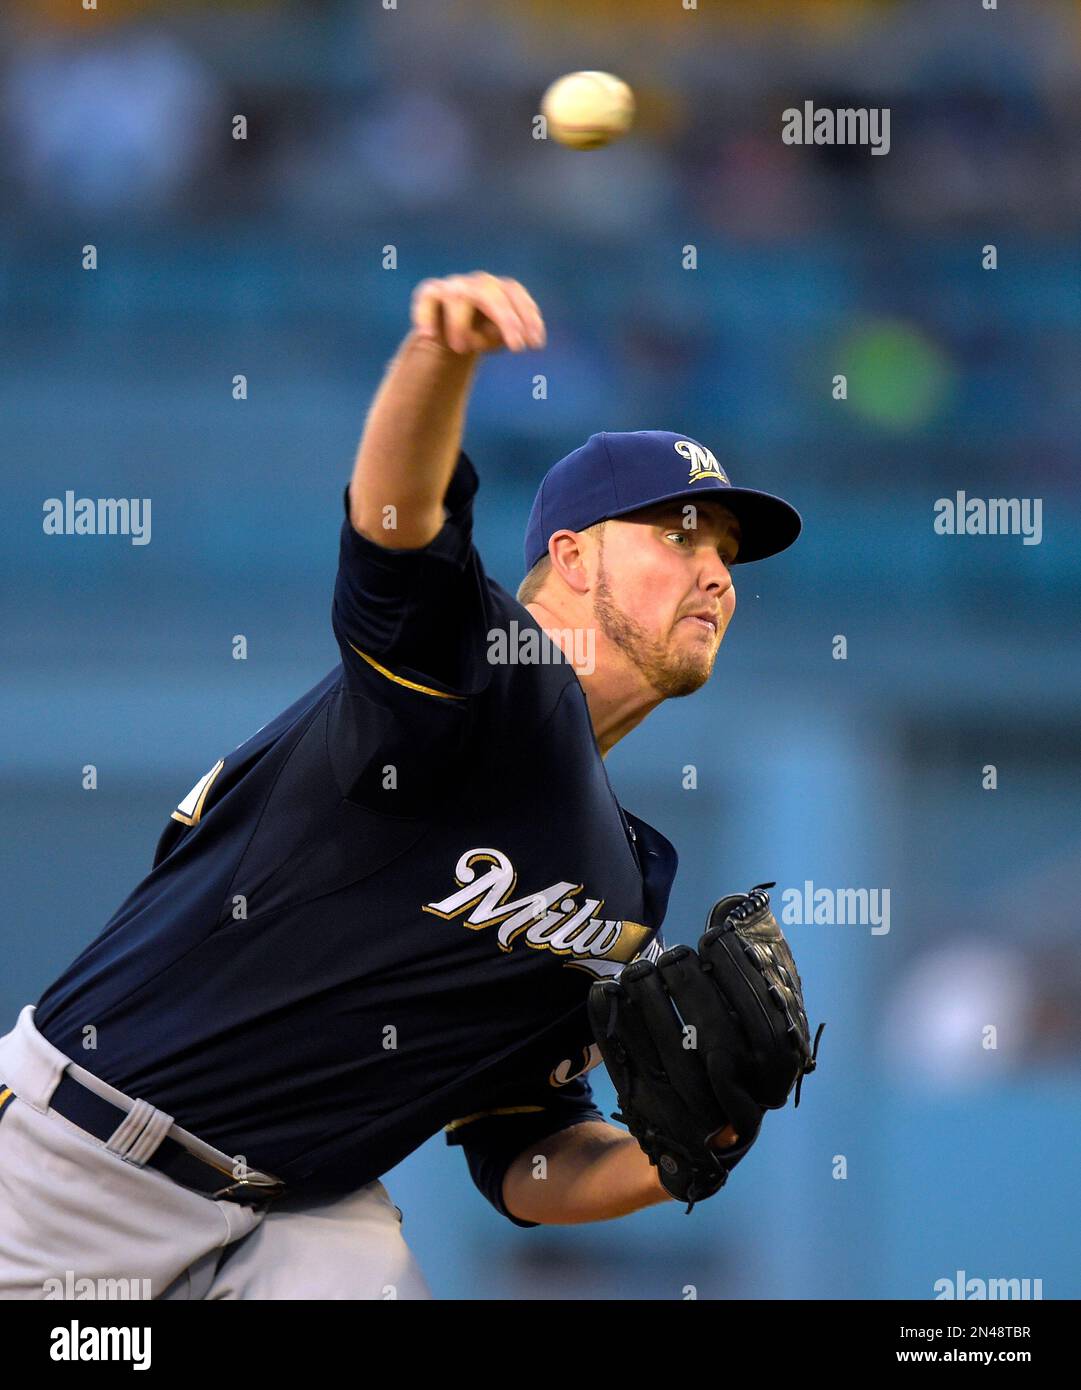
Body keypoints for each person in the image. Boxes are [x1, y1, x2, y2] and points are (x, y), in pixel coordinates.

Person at [0, 271, 801, 1299]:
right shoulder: (482, 671)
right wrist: (440, 356)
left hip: (307, 1210)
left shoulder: (629, 878)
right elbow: (393, 528)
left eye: (729, 553)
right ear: (570, 556)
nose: (717, 572)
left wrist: (677, 1156)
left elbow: (521, 1148)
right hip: (81, 1167)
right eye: (680, 534)